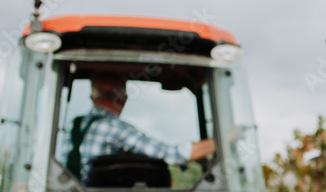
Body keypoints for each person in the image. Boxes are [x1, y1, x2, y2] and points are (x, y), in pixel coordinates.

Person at [64, 73, 215, 184]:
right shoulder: (114, 128)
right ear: (123, 99)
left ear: (92, 97)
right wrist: (219, 143)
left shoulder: (73, 125)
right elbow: (172, 154)